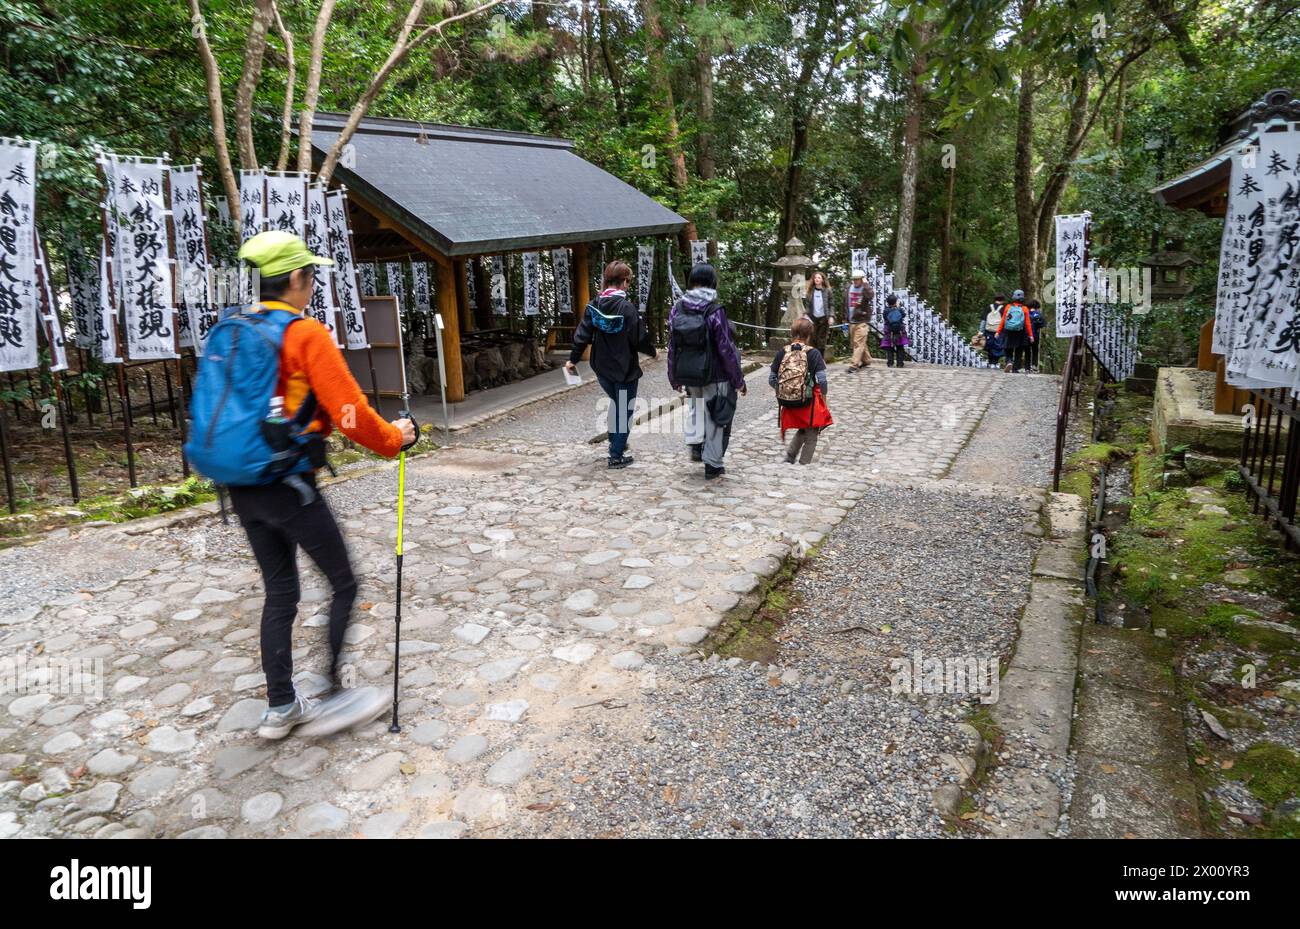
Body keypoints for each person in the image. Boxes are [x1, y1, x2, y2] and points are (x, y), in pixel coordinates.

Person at [197, 231, 416, 740]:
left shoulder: (230, 329)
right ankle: (337, 695)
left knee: (281, 591)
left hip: (240, 485)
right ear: (295, 278)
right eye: (311, 275)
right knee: (344, 583)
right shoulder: (304, 334)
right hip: (290, 484)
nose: (313, 283)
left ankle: (280, 708)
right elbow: (349, 413)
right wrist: (395, 438)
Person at [566, 260, 657, 469]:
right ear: (624, 282)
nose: (628, 284)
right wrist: (652, 352)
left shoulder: (594, 305)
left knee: (617, 403)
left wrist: (572, 359)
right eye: (628, 281)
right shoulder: (626, 308)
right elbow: (639, 338)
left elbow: (582, 335)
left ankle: (618, 442)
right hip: (624, 368)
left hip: (601, 366)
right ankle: (616, 455)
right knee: (624, 409)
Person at [667, 263, 747, 479]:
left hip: (689, 372)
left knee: (696, 408)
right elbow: (725, 348)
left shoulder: (678, 308)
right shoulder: (714, 310)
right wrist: (738, 379)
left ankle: (695, 443)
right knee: (715, 418)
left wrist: (673, 375)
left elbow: (673, 345)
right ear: (712, 283)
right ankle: (712, 464)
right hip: (715, 374)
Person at [770, 316, 832, 464]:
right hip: (808, 402)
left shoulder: (782, 352)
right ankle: (804, 465)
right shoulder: (814, 353)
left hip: (787, 402)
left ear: (791, 333)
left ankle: (790, 456)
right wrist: (823, 399)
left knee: (804, 428)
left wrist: (787, 389)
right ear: (809, 334)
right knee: (812, 431)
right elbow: (822, 381)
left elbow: (771, 379)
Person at [996, 288, 1036, 373]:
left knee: (1007, 348)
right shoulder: (1025, 309)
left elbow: (1003, 320)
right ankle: (1015, 368)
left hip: (1008, 331)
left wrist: (998, 331)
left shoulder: (1008, 307)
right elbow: (1028, 323)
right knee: (1019, 350)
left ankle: (1009, 361)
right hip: (1020, 331)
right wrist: (1031, 335)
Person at [845, 268, 874, 371]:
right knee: (857, 343)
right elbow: (845, 304)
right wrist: (845, 318)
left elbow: (870, 296)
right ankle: (866, 360)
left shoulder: (865, 289)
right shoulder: (849, 288)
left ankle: (854, 365)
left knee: (858, 343)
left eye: (858, 279)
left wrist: (866, 284)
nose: (855, 281)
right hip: (851, 320)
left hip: (862, 320)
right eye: (854, 279)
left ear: (862, 279)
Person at [806, 270, 835, 356]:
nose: (817, 279)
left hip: (824, 318)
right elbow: (808, 305)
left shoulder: (828, 290)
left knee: (821, 339)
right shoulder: (810, 291)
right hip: (813, 318)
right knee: (813, 339)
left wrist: (831, 316)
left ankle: (820, 359)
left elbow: (831, 304)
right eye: (815, 277)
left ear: (822, 279)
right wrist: (806, 315)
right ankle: (813, 359)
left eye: (819, 277)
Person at [879, 294, 909, 368]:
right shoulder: (899, 309)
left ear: (887, 302)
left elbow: (885, 318)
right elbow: (904, 315)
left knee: (889, 348)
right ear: (896, 302)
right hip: (899, 331)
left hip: (889, 331)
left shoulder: (886, 310)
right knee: (900, 347)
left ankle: (890, 363)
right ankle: (900, 363)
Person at [982, 296, 1006, 367]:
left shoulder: (989, 307)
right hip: (999, 331)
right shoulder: (1003, 308)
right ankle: (995, 363)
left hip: (988, 329)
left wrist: (981, 330)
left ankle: (990, 362)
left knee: (989, 345)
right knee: (997, 346)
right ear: (1002, 300)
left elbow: (984, 319)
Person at [1027, 299, 1046, 371]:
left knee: (1027, 350)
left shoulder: (1026, 313)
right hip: (1035, 335)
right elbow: (1042, 324)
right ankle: (1034, 365)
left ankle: (1027, 366)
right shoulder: (1038, 314)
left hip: (1027, 335)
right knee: (1035, 350)